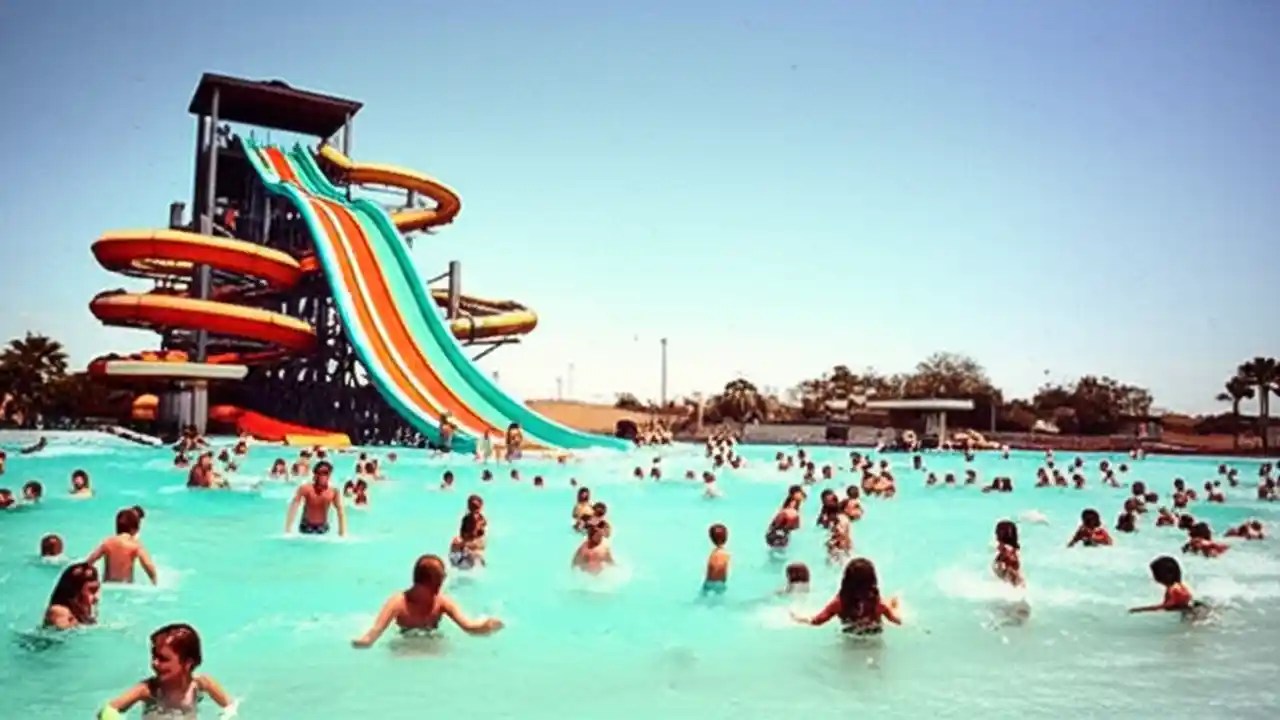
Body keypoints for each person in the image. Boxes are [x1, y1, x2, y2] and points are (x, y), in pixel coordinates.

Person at [351, 555, 503, 647]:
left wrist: (487, 626)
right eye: (441, 578)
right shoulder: (398, 602)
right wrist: (363, 642)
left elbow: (468, 626)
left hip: (433, 641)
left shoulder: (442, 602)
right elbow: (376, 630)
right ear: (430, 581)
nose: (443, 582)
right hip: (404, 644)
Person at [100, 623, 234, 718]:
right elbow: (108, 709)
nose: (155, 662)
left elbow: (230, 706)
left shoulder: (202, 684)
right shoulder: (148, 690)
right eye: (154, 656)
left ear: (188, 663)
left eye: (163, 659)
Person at [792, 557, 901, 636]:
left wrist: (799, 619)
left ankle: (892, 602)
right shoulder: (877, 604)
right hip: (874, 637)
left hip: (851, 638)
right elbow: (896, 621)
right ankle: (893, 603)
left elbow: (817, 621)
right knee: (891, 604)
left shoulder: (839, 603)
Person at [85, 507, 157, 584]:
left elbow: (89, 561)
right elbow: (148, 566)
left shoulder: (107, 542)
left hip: (108, 584)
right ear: (135, 529)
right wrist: (154, 580)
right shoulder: (135, 545)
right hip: (125, 585)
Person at [1130, 555, 1206, 619]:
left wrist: (1142, 610)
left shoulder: (1173, 589)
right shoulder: (1179, 586)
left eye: (1156, 573)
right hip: (1194, 610)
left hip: (1194, 611)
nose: (1154, 576)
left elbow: (1167, 606)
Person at [284, 461, 347, 536]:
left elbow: (340, 512)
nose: (323, 475)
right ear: (315, 474)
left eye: (326, 473)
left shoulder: (334, 491)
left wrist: (342, 533)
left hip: (323, 528)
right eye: (320, 473)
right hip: (306, 526)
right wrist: (288, 530)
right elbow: (294, 506)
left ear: (330, 474)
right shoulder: (305, 488)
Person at [44, 562, 100, 629]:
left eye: (97, 591)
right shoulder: (59, 612)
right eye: (92, 591)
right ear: (75, 593)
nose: (96, 598)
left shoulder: (81, 615)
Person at [993, 520, 1024, 587]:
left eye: (997, 531)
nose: (995, 533)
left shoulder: (1007, 551)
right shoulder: (1007, 550)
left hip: (1012, 586)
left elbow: (1012, 566)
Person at [702, 523, 730, 596]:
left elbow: (711, 570)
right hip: (719, 583)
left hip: (709, 582)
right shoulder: (726, 554)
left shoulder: (713, 554)